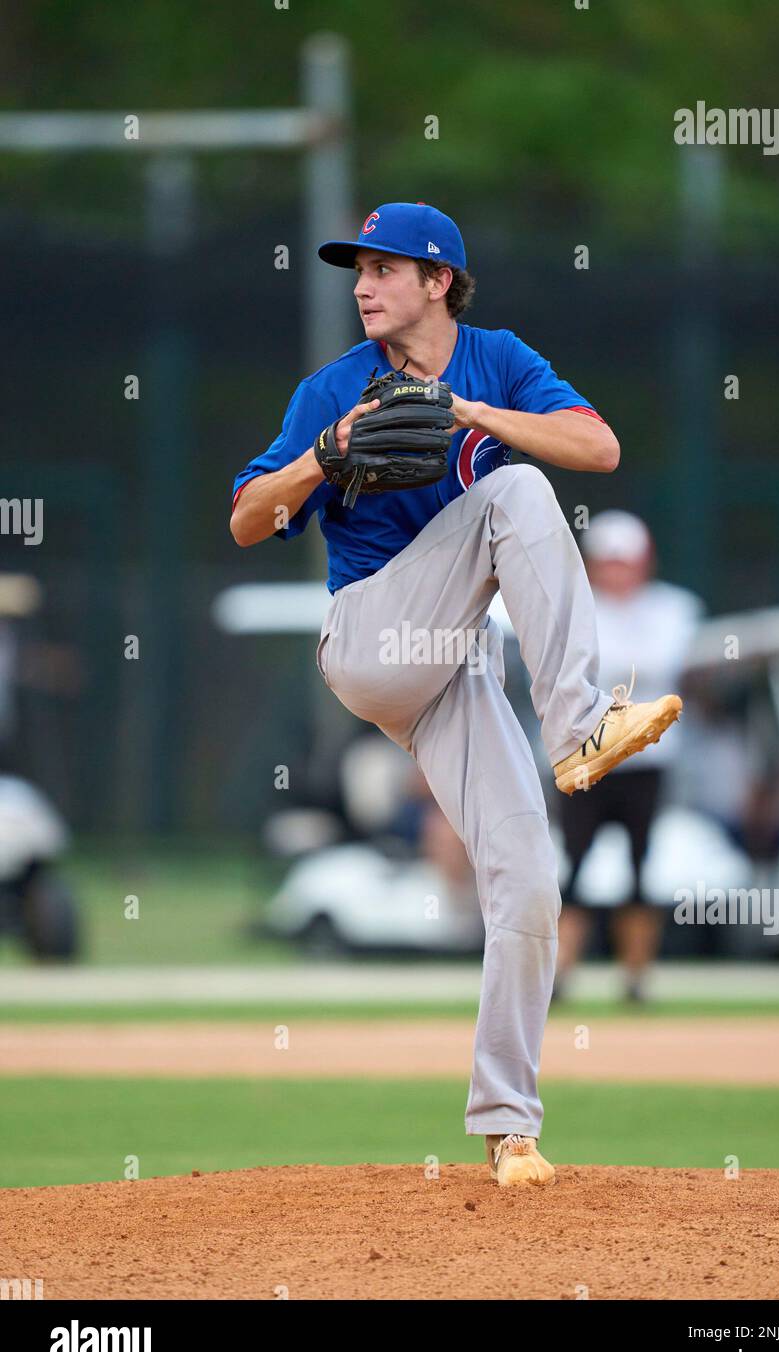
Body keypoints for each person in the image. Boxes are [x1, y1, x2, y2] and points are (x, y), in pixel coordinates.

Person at [230, 202, 682, 1186]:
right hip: (367, 633)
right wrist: (326, 453)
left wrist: (475, 414)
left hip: (449, 662)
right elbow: (245, 518)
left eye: (384, 269)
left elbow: (597, 448)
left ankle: (507, 1126)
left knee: (526, 873)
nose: (361, 285)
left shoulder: (496, 359)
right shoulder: (333, 387)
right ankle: (580, 723)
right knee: (514, 495)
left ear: (437, 282)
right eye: (356, 270)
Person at [553, 511, 703, 1004]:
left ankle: (636, 978)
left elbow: (625, 668)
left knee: (641, 865)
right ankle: (559, 975)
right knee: (574, 864)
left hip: (645, 759)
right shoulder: (577, 605)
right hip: (586, 757)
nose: (618, 572)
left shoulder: (673, 609)